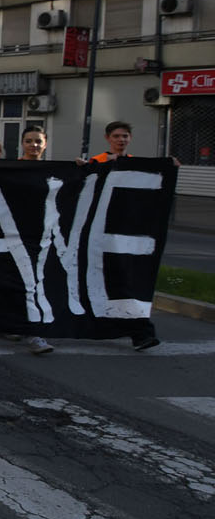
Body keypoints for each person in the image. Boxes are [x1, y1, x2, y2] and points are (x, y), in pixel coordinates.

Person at [87, 120, 159, 349]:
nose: (121, 140)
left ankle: (141, 332)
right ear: (108, 138)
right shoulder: (96, 162)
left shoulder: (137, 164)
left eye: (125, 136)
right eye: (117, 136)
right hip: (99, 232)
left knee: (128, 282)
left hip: (127, 234)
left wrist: (170, 166)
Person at [10, 126, 55, 355]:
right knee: (24, 282)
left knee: (35, 283)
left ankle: (27, 328)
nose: (34, 145)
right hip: (15, 235)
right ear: (22, 144)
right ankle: (28, 329)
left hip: (43, 236)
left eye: (38, 141)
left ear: (45, 144)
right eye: (29, 141)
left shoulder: (54, 170)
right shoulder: (11, 168)